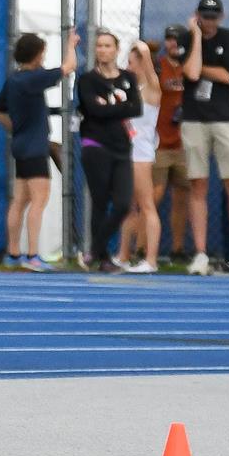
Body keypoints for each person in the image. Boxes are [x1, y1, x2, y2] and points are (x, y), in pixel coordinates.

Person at [179, 0, 229, 275]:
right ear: (197, 16)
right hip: (194, 119)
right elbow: (191, 73)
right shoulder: (187, 37)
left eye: (213, 17)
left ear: (220, 17)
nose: (209, 22)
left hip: (224, 118)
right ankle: (200, 254)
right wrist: (196, 37)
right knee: (198, 184)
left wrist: (203, 69)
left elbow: (228, 76)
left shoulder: (228, 37)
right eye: (204, 16)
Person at [0, 31, 78, 271]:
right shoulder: (34, 78)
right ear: (36, 54)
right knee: (39, 201)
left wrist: (15, 127)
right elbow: (69, 66)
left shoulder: (14, 80)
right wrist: (71, 44)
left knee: (20, 200)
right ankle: (32, 254)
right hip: (35, 147)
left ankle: (13, 253)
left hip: (21, 145)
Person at [75, 31, 144, 275]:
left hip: (121, 147)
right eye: (99, 46)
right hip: (96, 145)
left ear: (116, 49)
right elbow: (94, 110)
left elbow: (136, 108)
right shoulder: (87, 80)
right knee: (100, 202)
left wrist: (110, 106)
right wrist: (119, 107)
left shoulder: (128, 78)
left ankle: (93, 250)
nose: (103, 50)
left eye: (108, 46)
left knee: (124, 203)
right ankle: (103, 258)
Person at [119, 37, 163, 273]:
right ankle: (123, 256)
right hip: (127, 152)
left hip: (142, 155)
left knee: (146, 205)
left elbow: (147, 60)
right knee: (128, 207)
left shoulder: (152, 89)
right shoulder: (131, 91)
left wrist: (142, 49)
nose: (128, 67)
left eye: (131, 62)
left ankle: (151, 260)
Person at [152, 25, 193, 264]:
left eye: (178, 39)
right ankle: (141, 248)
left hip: (185, 143)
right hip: (159, 141)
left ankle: (178, 248)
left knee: (182, 197)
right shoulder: (158, 66)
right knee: (152, 197)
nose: (174, 43)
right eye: (169, 38)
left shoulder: (192, 67)